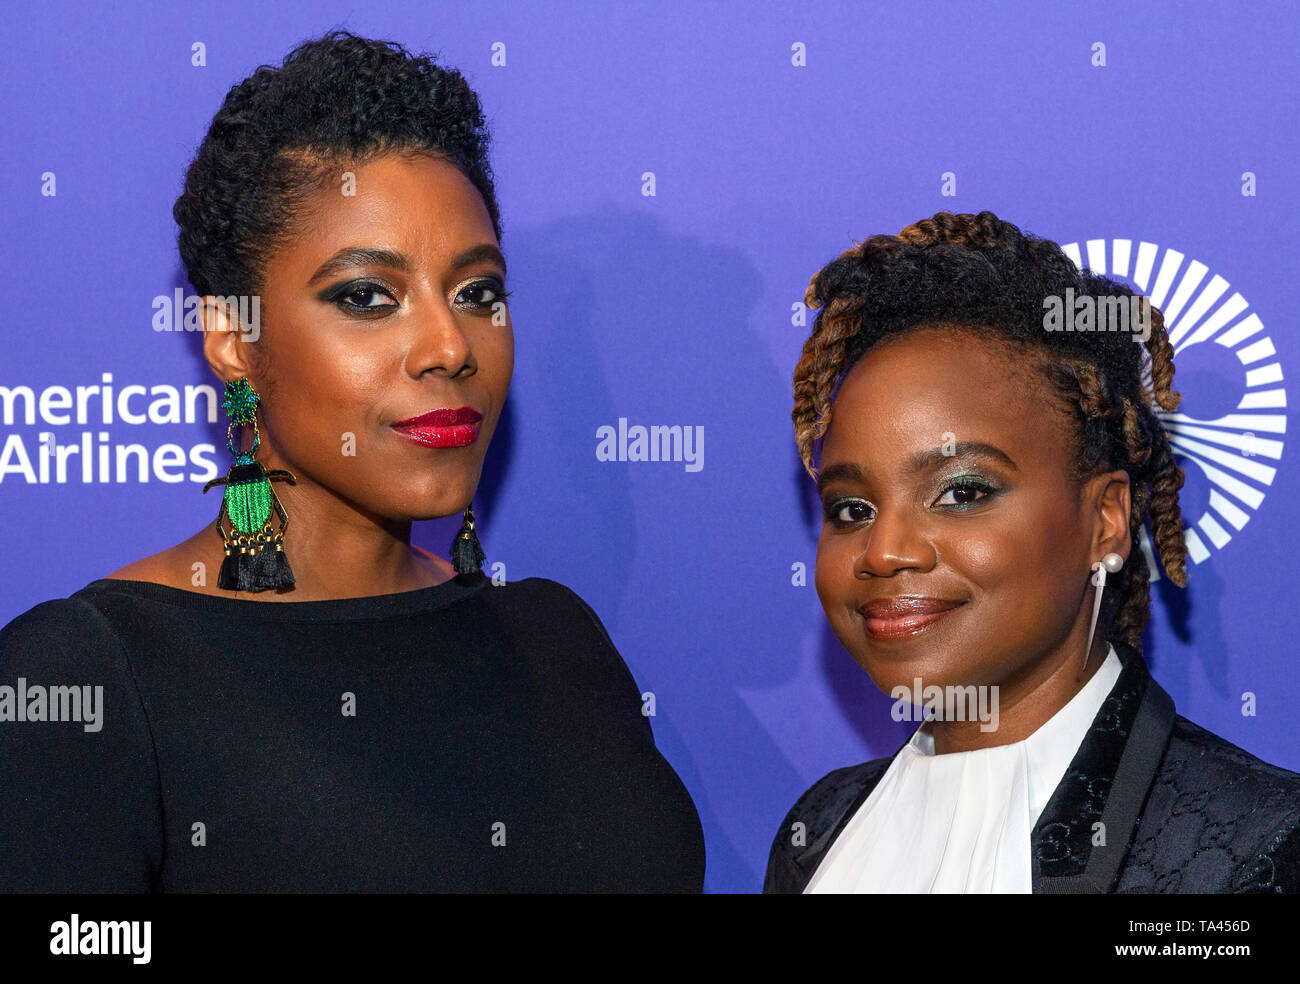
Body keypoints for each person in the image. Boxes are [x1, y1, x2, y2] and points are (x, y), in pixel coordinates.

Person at [0, 30, 704, 893]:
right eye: (367, 297)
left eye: (477, 292)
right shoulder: (88, 678)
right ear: (232, 338)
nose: (449, 346)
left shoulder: (558, 637)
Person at [764, 210, 1300, 893]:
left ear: (1106, 520)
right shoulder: (821, 832)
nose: (884, 551)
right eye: (852, 509)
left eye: (961, 493)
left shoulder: (1255, 851)